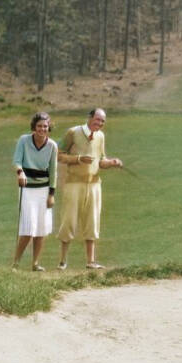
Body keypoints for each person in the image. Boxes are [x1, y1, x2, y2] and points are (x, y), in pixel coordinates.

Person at [56, 108, 123, 269]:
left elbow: (101, 161)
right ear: (89, 118)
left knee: (92, 221)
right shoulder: (73, 132)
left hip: (94, 185)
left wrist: (112, 163)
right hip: (73, 184)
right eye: (97, 119)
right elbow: (58, 155)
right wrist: (79, 159)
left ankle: (90, 261)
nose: (99, 123)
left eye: (102, 121)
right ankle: (63, 261)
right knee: (68, 221)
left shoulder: (100, 136)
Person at [12, 112, 58, 271]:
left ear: (49, 127)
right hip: (27, 190)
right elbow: (17, 161)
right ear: (34, 126)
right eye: (39, 126)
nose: (42, 129)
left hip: (43, 190)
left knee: (41, 229)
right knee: (28, 229)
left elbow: (53, 171)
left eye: (45, 126)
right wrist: (20, 172)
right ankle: (15, 263)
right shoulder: (24, 140)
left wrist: (52, 194)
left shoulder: (52, 145)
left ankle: (35, 263)